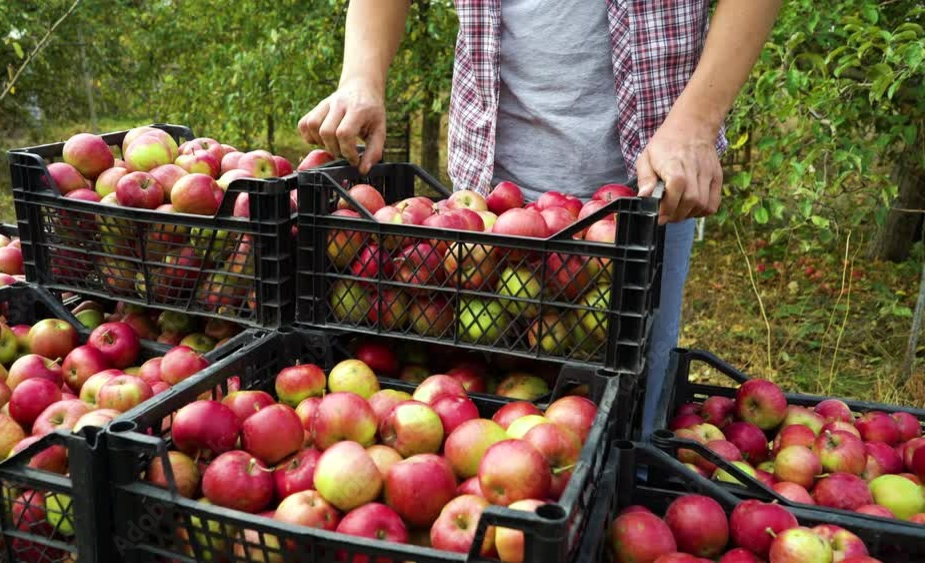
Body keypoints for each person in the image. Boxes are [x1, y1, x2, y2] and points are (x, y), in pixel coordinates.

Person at [298, 0, 781, 432]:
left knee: (626, 422)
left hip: (644, 197)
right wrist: (361, 76)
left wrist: (697, 121)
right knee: (483, 419)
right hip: (484, 205)